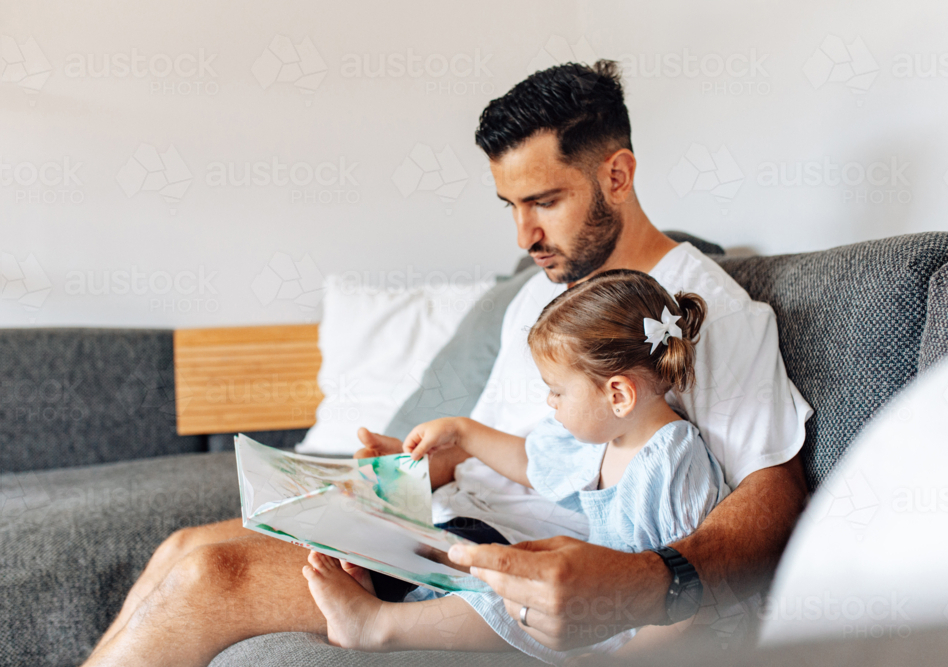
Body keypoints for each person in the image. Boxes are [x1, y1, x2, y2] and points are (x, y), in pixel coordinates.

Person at [84, 60, 811, 666]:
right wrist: (399, 472)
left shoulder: (709, 308)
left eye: (545, 200)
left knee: (211, 578)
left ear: (616, 174)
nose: (525, 233)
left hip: (505, 562)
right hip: (439, 525)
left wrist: (652, 582)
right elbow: (492, 450)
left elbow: (773, 488)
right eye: (509, 205)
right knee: (186, 544)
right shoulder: (540, 296)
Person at [301, 271, 728, 663]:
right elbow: (534, 462)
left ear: (618, 394)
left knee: (504, 599)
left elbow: (693, 595)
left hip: (635, 626)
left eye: (558, 391)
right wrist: (463, 432)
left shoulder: (672, 465)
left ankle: (375, 625)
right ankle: (404, 576)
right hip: (596, 591)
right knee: (483, 556)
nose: (550, 402)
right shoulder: (613, 436)